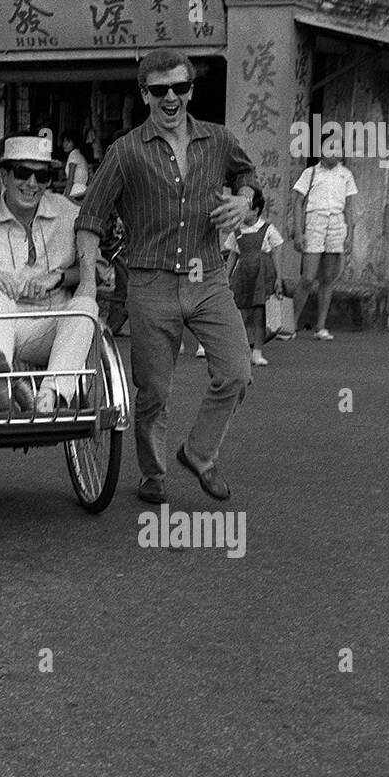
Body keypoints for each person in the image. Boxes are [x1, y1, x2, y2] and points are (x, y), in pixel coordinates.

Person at [76, 50, 255, 504]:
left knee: (236, 371)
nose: (170, 98)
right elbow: (90, 219)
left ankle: (198, 453)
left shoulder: (218, 139)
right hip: (150, 282)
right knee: (153, 391)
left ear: (192, 90)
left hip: (209, 278)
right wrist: (86, 285)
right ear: (144, 95)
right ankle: (152, 473)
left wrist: (245, 199)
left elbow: (247, 174)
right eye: (159, 90)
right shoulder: (125, 151)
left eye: (180, 87)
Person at [0, 133, 98, 416]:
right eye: (23, 173)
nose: (32, 184)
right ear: (5, 175)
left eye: (43, 176)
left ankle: (50, 397)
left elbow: (98, 270)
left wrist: (57, 277)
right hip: (2, 327)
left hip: (54, 325)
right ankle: (1, 386)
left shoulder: (68, 214)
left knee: (86, 306)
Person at [290, 151, 357, 339]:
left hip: (336, 222)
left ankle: (320, 327)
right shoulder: (310, 173)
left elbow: (349, 207)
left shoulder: (346, 174)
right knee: (308, 277)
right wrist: (298, 231)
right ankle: (291, 324)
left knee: (328, 277)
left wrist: (350, 234)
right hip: (315, 221)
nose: (336, 153)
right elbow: (298, 203)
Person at [222, 186, 284, 367]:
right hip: (243, 275)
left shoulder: (268, 229)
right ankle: (241, 350)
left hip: (261, 275)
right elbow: (233, 256)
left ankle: (257, 352)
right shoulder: (236, 232)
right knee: (240, 313)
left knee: (259, 313)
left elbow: (276, 253)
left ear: (256, 210)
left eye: (245, 208)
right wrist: (226, 277)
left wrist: (279, 278)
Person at [61, 129, 90, 201]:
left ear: (74, 142)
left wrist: (66, 197)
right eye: (64, 141)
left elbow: (70, 180)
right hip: (83, 191)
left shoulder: (73, 155)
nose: (64, 144)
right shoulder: (79, 155)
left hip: (74, 192)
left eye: (68, 142)